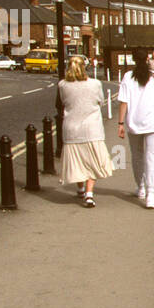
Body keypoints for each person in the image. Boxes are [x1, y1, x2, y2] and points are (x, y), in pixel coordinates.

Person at [118, 48, 154, 209]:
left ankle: (141, 188)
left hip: (134, 123)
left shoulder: (128, 77)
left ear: (133, 60)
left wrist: (120, 123)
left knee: (137, 157)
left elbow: (123, 102)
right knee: (153, 158)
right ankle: (151, 195)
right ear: (148, 59)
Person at [57, 56, 114, 207]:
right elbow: (100, 101)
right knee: (93, 162)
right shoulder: (95, 84)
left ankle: (81, 189)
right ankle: (89, 195)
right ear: (85, 67)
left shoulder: (62, 84)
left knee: (77, 162)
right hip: (92, 129)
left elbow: (62, 102)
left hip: (71, 129)